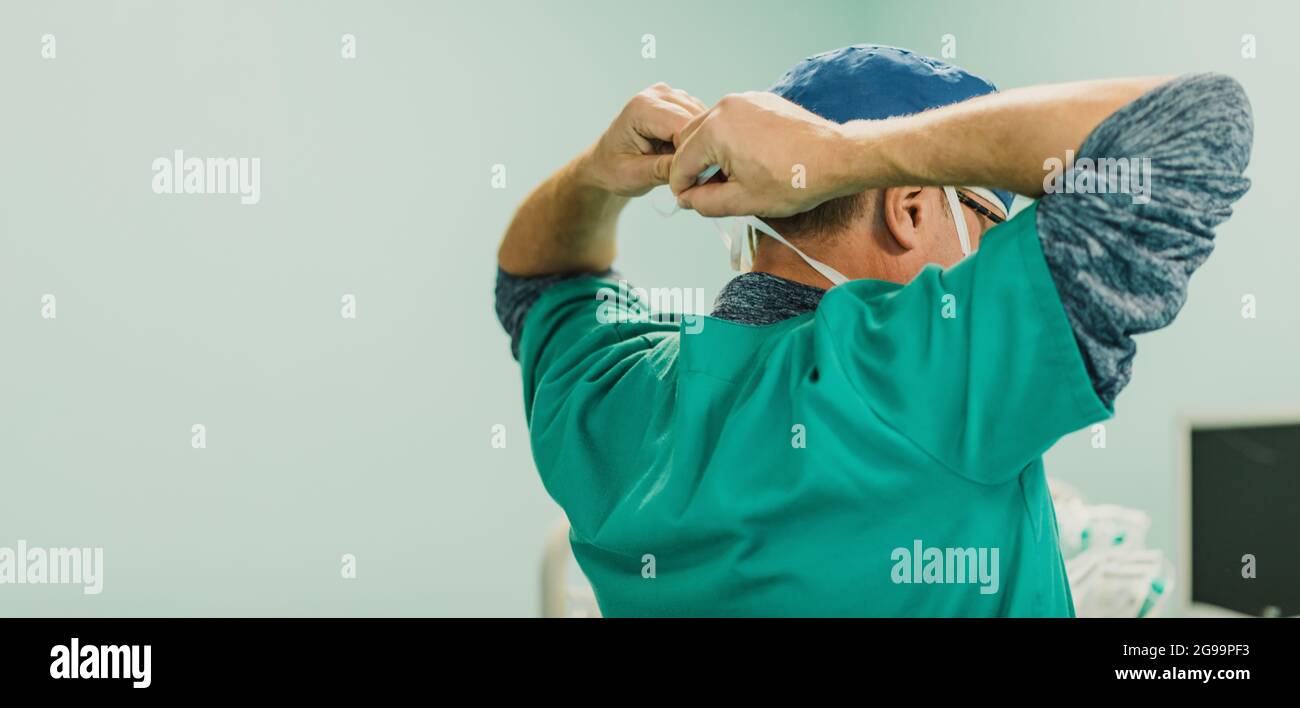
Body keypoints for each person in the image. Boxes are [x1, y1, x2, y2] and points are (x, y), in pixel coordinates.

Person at [495, 44, 1253, 616]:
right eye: (994, 223)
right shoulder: (923, 375)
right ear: (912, 208)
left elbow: (538, 278)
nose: (999, 255)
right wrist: (848, 157)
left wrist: (600, 171)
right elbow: (1196, 127)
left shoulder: (611, 391)